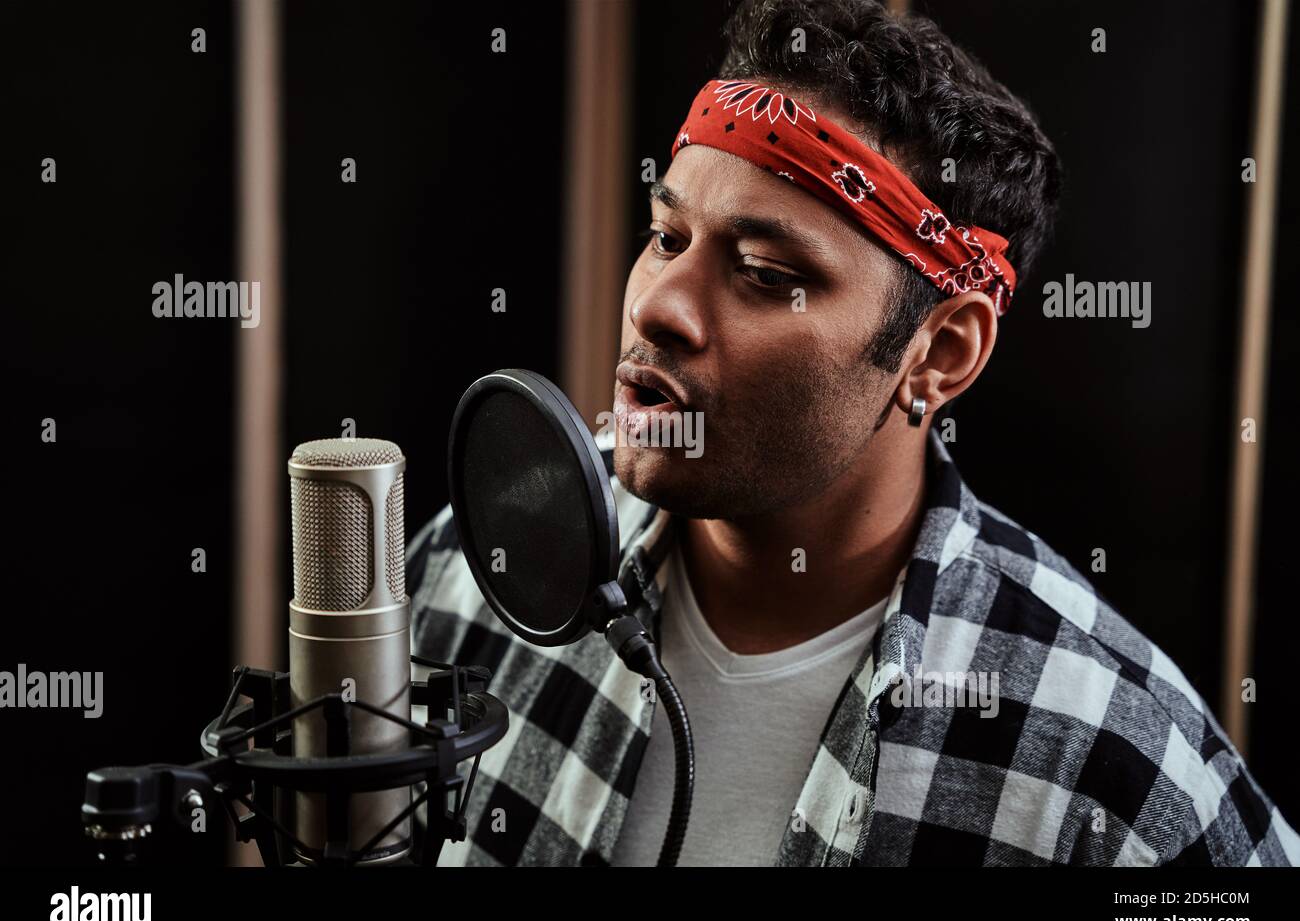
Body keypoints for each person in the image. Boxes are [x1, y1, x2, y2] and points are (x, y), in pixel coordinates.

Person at [408, 0, 1297, 866]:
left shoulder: (1119, 769)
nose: (657, 305)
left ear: (940, 351)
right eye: (665, 236)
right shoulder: (477, 564)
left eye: (763, 273)